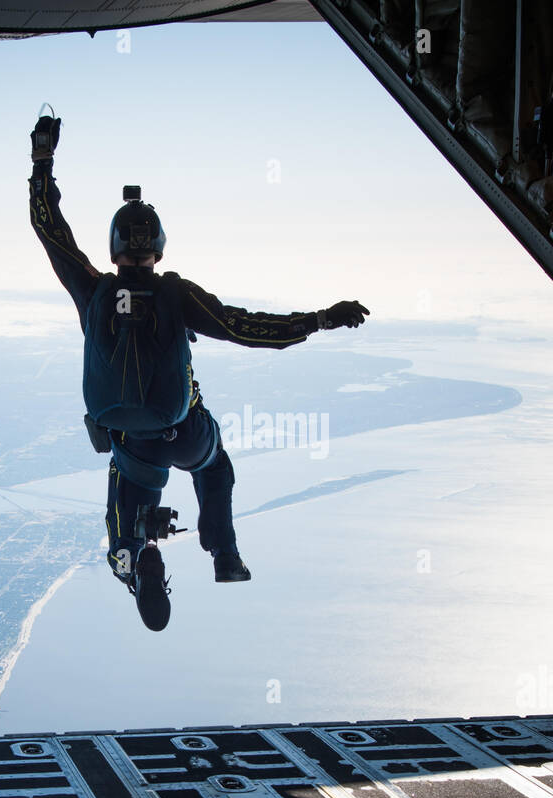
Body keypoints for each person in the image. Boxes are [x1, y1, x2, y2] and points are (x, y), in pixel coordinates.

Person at [28, 114, 368, 631]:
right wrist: (319, 320)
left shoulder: (91, 289)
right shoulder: (175, 293)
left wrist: (42, 163)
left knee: (126, 483)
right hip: (183, 433)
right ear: (158, 248)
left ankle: (134, 552)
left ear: (115, 248)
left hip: (131, 441)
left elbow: (50, 230)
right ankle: (225, 558)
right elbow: (246, 328)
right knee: (214, 468)